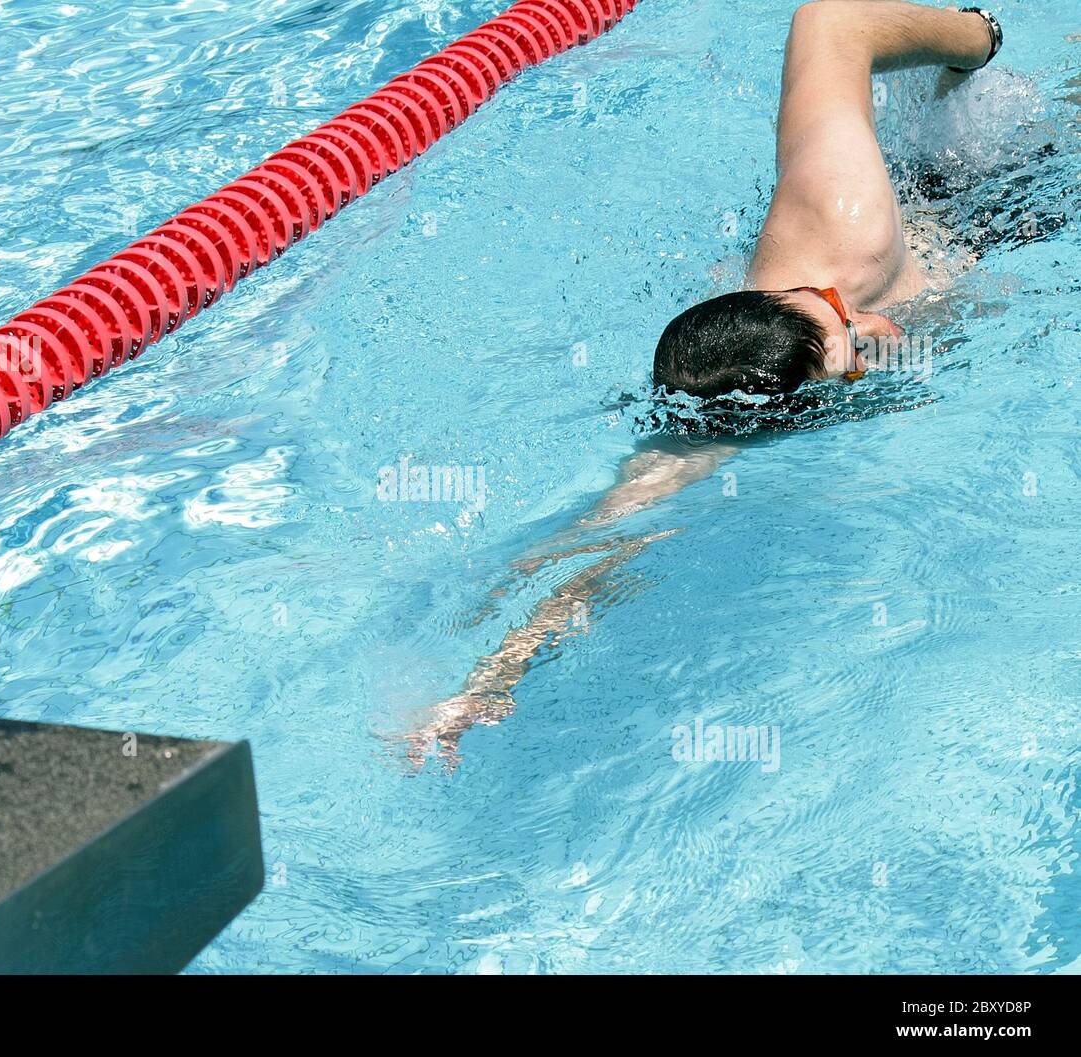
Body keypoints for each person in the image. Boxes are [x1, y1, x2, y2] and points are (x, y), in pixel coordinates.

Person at [406, 2, 1003, 767]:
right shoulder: (726, 398)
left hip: (985, 204)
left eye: (837, 316)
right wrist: (495, 673)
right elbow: (601, 538)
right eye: (852, 357)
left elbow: (831, 22)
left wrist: (977, 41)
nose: (874, 337)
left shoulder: (844, 215)